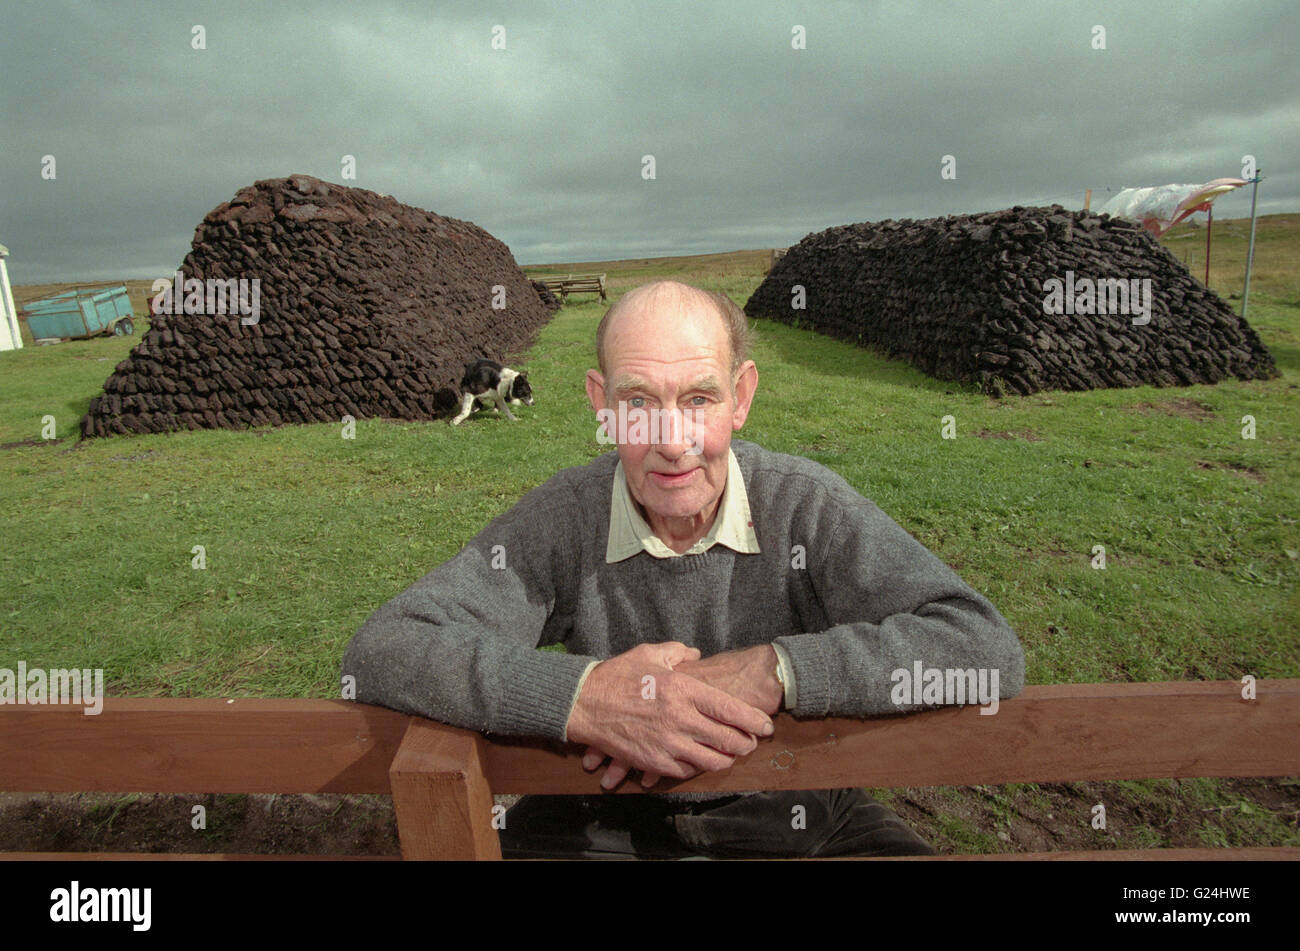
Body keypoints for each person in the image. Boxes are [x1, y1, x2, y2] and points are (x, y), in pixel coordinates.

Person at [342, 280, 1025, 858]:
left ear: (741, 396)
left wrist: (773, 670)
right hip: (600, 818)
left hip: (796, 811)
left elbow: (981, 643)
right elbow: (387, 645)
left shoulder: (804, 504)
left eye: (699, 399)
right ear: (602, 405)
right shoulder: (565, 516)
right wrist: (582, 696)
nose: (672, 444)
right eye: (638, 403)